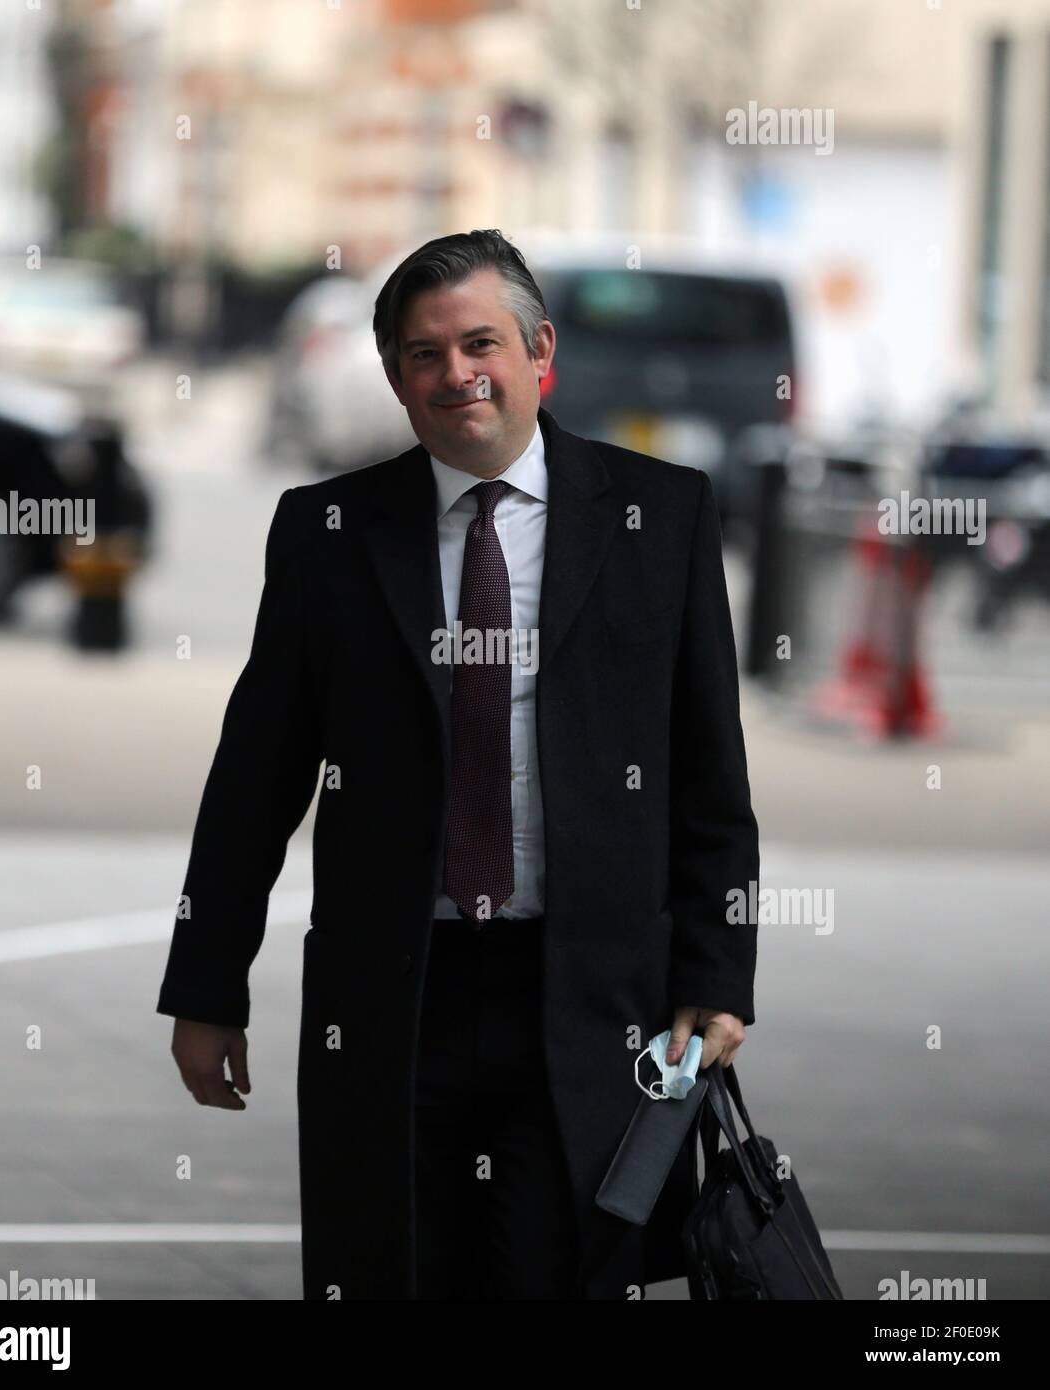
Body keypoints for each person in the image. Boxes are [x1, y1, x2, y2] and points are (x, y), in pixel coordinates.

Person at [157, 229, 759, 1300]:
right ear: (394, 379)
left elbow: (710, 775)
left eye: (480, 342)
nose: (456, 374)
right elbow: (255, 776)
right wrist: (208, 984)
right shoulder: (326, 531)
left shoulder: (657, 518)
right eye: (423, 355)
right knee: (386, 1272)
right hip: (392, 998)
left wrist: (716, 975)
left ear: (540, 352)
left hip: (587, 1001)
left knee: (554, 1274)